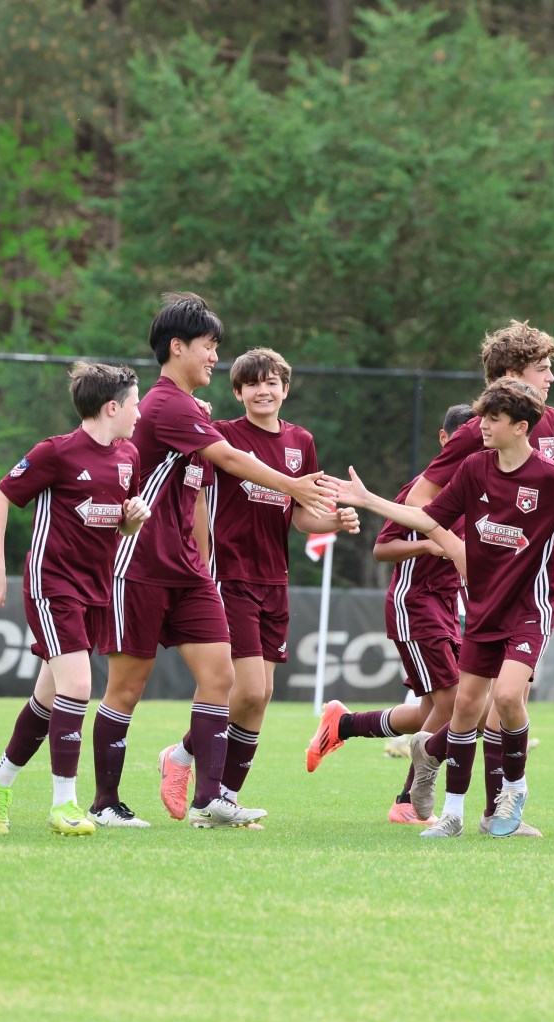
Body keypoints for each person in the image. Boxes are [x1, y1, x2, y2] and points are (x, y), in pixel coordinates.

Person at [327, 378, 554, 839]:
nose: (481, 426)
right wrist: (369, 500)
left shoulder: (549, 477)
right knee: (463, 707)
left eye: (492, 420)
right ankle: (454, 814)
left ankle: (514, 789)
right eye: (481, 417)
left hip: (530, 606)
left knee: (505, 698)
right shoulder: (475, 468)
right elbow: (427, 517)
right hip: (483, 608)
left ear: (521, 427)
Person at [92, 294, 335, 830]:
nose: (213, 358)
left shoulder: (188, 407)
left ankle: (209, 798)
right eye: (208, 347)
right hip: (141, 562)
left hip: (187, 568)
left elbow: (201, 485)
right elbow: (229, 458)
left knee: (223, 678)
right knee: (127, 687)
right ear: (177, 348)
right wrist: (292, 484)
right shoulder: (166, 405)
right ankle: (104, 802)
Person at [396, 321, 554, 826]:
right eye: (542, 370)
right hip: (489, 591)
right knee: (491, 704)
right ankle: (496, 812)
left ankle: (464, 782)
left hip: (535, 589)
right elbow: (420, 500)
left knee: (504, 703)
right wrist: (459, 549)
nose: (550, 379)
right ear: (510, 374)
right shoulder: (478, 430)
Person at [0, 363, 150, 836]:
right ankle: (65, 804)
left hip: (96, 589)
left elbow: (120, 523)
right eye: (135, 402)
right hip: (53, 586)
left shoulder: (129, 455)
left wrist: (133, 518)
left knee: (49, 698)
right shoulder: (57, 452)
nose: (139, 411)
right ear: (112, 407)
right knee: (77, 687)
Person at [202, 348, 359, 814]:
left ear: (285, 390)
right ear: (238, 392)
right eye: (252, 384)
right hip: (230, 575)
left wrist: (334, 522)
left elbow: (301, 516)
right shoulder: (223, 436)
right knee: (248, 689)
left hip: (276, 578)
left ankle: (226, 799)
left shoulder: (301, 441)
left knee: (263, 694)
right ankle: (189, 757)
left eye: (272, 382)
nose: (263, 390)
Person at [305, 402, 476, 826]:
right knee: (452, 699)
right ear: (444, 440)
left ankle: (342, 725)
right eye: (462, 443)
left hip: (445, 603)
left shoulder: (478, 488)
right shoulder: (421, 488)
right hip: (414, 602)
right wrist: (427, 545)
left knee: (427, 712)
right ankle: (407, 801)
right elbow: (383, 548)